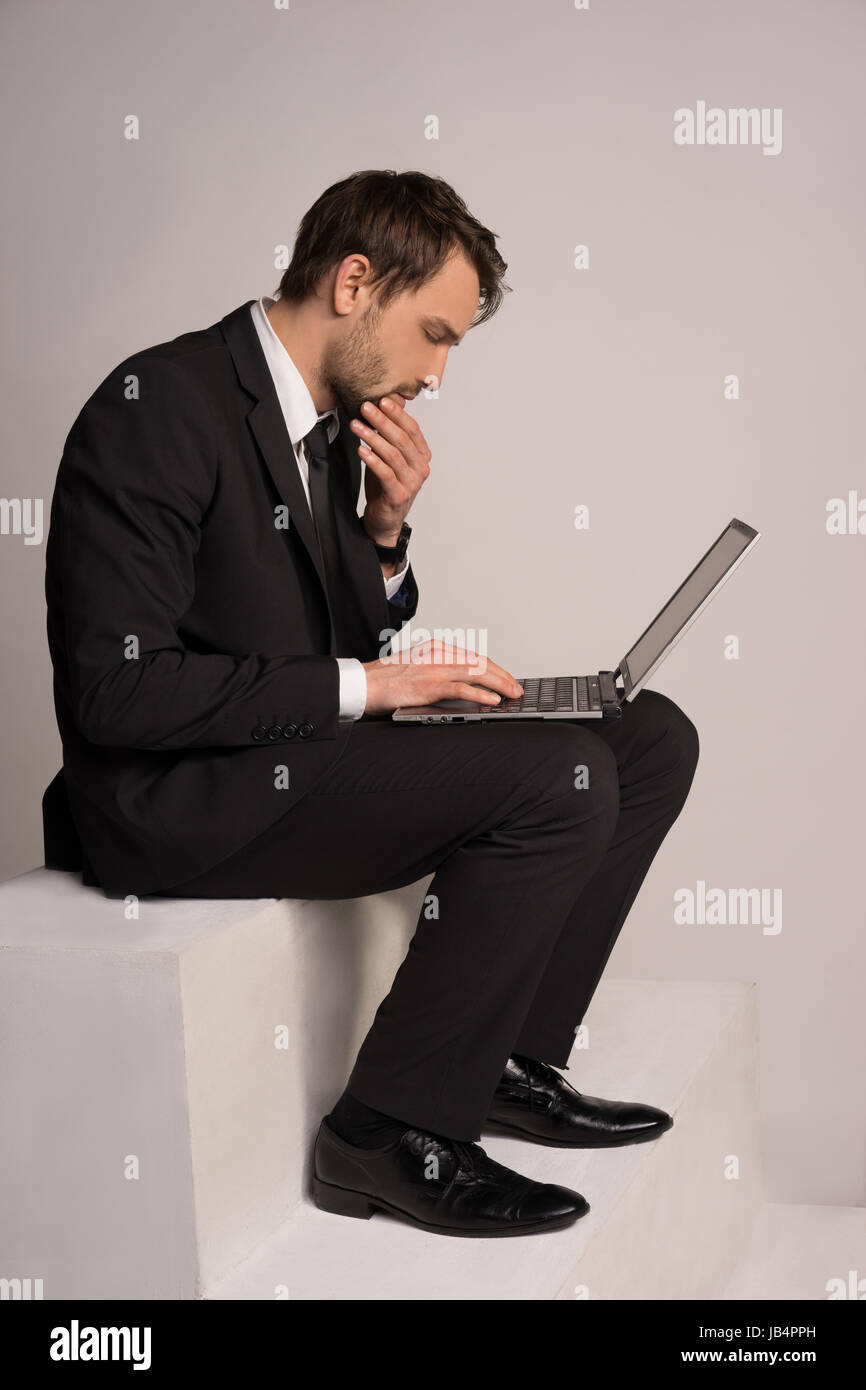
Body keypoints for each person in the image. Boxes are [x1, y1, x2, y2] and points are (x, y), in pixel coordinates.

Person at [43, 169, 699, 1239]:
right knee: (557, 777)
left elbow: (324, 637)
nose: (437, 374)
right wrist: (374, 685)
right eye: (435, 334)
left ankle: (500, 1062)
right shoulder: (158, 405)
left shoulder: (331, 430)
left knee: (649, 736)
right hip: (177, 798)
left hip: (289, 751)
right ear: (354, 282)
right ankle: (386, 1132)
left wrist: (385, 534)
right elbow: (116, 689)